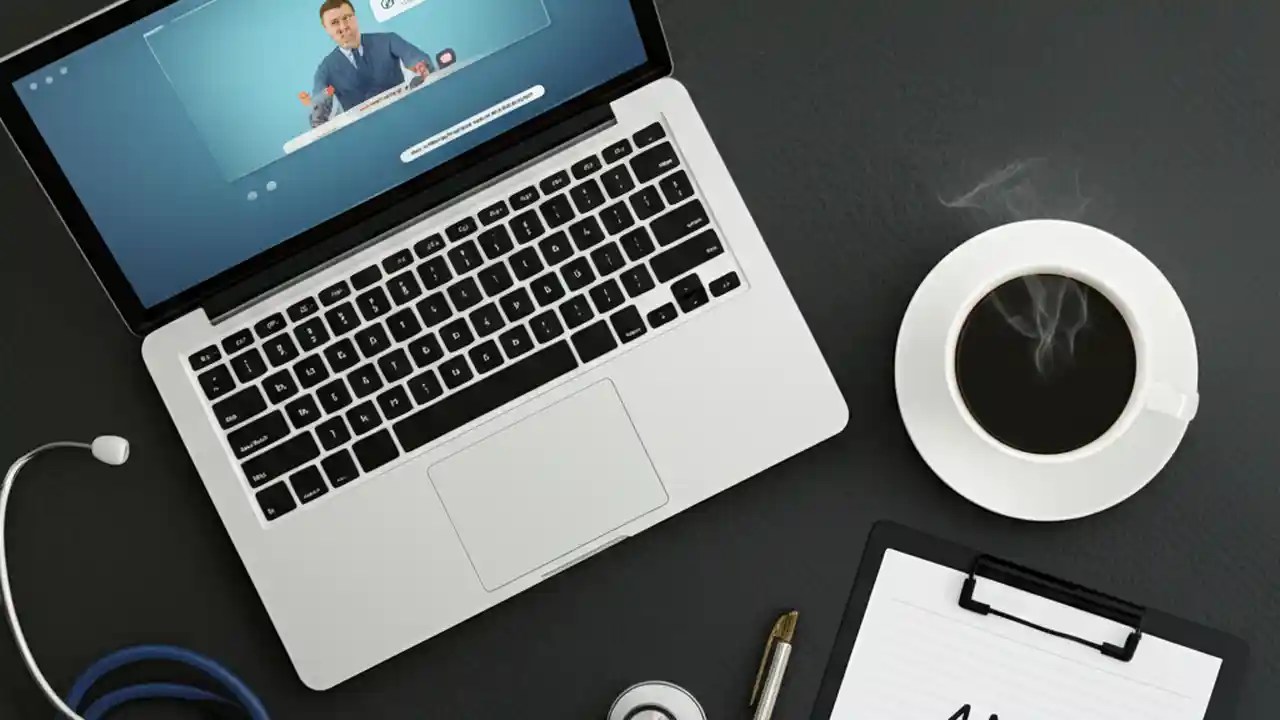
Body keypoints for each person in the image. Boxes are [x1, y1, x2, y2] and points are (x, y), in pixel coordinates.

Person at [299, 0, 432, 128]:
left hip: (405, 117)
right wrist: (319, 110)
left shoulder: (388, 40)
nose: (343, 26)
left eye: (346, 18)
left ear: (355, 17)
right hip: (362, 132)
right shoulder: (326, 69)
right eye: (334, 23)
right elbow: (319, 107)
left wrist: (420, 68)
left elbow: (417, 59)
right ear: (326, 28)